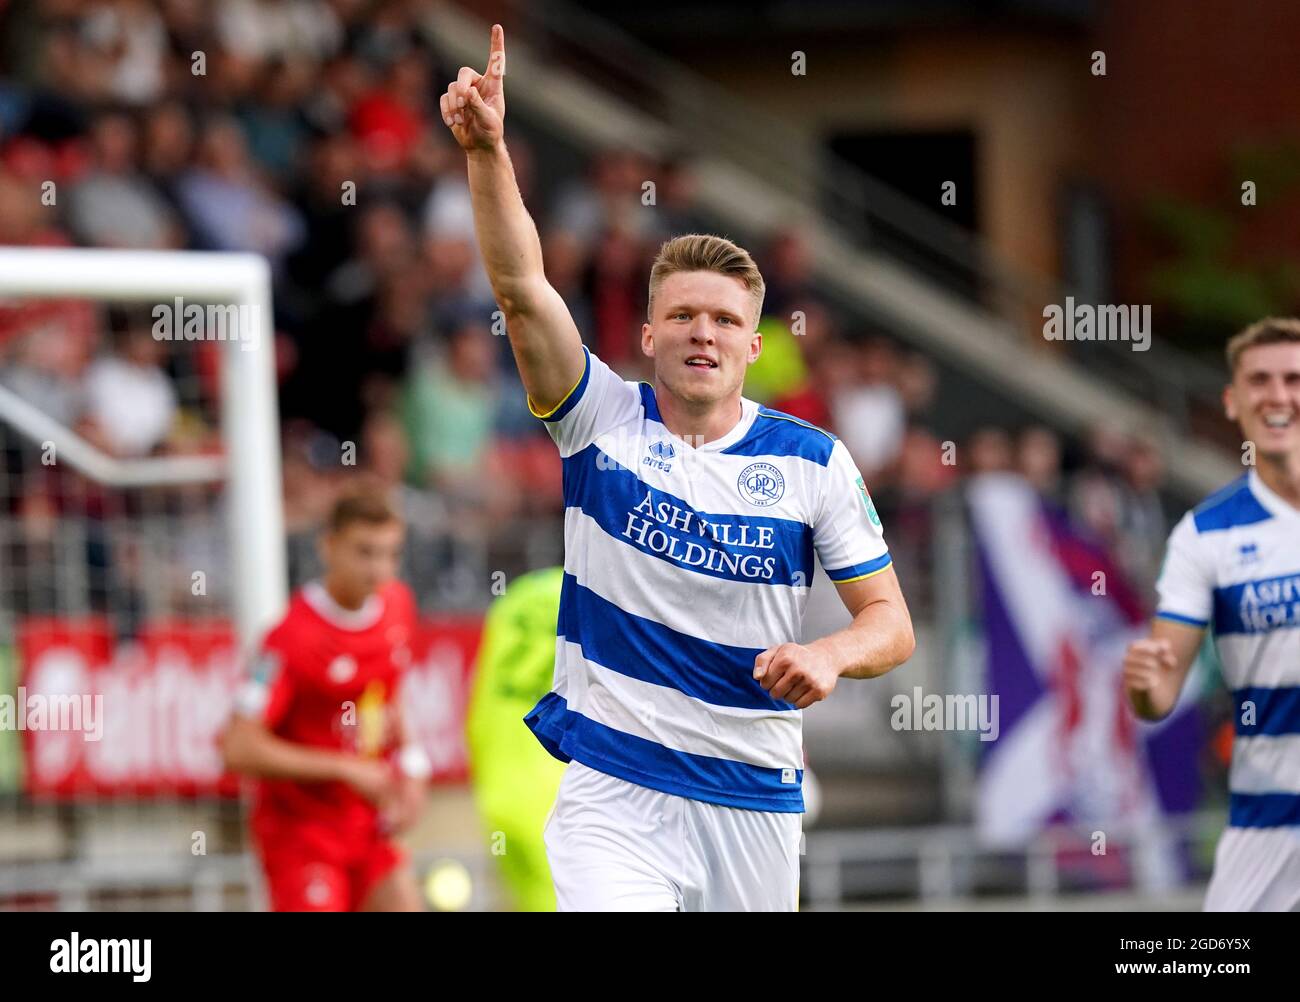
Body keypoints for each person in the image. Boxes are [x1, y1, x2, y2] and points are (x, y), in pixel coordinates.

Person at [440, 25, 914, 912]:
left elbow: (891, 622)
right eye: (684, 315)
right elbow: (522, 290)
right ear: (650, 336)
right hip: (613, 792)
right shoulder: (599, 420)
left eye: (725, 320)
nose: (705, 331)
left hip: (754, 800)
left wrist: (831, 654)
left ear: (753, 344)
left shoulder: (814, 462)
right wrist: (489, 153)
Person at [1123, 317, 1300, 911]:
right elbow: (1162, 689)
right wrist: (1146, 687)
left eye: (1293, 379)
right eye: (1260, 381)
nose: (1278, 396)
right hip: (1266, 825)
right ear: (1233, 400)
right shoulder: (1204, 534)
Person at [221, 490, 429, 911]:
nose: (379, 569)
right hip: (303, 835)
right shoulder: (289, 639)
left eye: (390, 554)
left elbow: (390, 694)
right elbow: (237, 746)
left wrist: (413, 767)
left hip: (367, 825)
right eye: (365, 553)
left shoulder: (397, 605)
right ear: (328, 546)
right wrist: (344, 769)